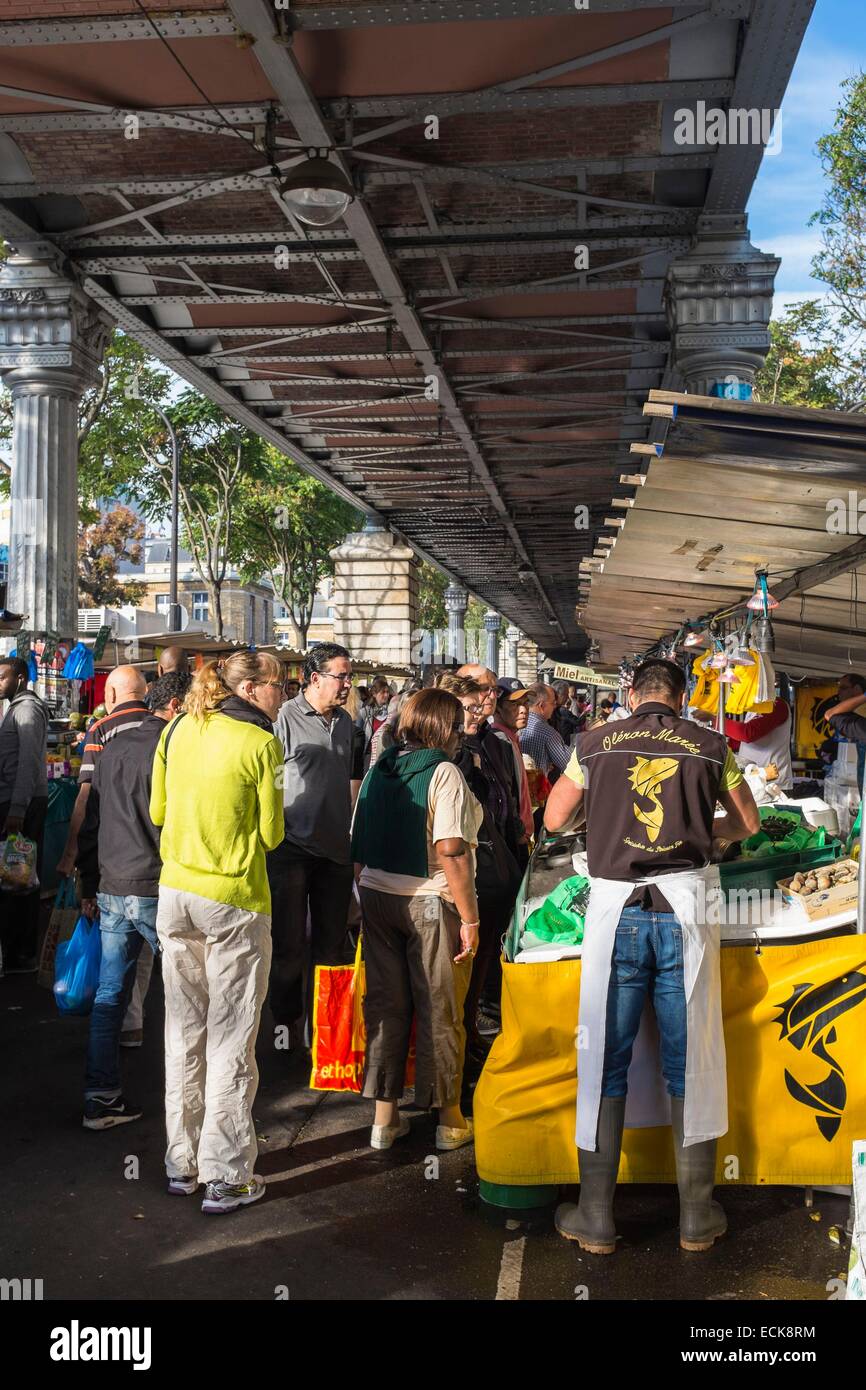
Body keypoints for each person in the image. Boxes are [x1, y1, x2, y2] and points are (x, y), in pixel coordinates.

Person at [544, 659, 760, 1256]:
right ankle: (696, 1218)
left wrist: (601, 819)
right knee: (691, 1058)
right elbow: (749, 821)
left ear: (632, 695)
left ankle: (596, 1216)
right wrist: (701, 826)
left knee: (605, 1061)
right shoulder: (712, 745)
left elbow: (554, 817)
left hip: (617, 915)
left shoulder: (592, 743)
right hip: (685, 913)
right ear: (683, 695)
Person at [150, 652, 285, 1215]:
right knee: (232, 1035)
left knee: (184, 1032)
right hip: (233, 900)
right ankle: (227, 1174)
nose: (284, 694)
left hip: (175, 891)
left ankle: (182, 1164)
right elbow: (273, 834)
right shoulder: (261, 744)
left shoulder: (179, 727)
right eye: (280, 685)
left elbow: (158, 810)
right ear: (253, 689)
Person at [352, 688, 481, 1151]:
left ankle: (383, 1121)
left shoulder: (378, 770)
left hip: (376, 896)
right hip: (429, 900)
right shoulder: (443, 771)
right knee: (440, 1009)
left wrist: (361, 897)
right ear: (445, 728)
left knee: (386, 1008)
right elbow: (451, 850)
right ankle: (449, 1118)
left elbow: (358, 840)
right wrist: (470, 918)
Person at [76, 672, 190, 1130]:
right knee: (186, 995)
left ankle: (101, 1097)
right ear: (171, 706)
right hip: (154, 883)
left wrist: (88, 883)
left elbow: (90, 819)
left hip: (113, 884)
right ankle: (186, 1110)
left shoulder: (108, 745)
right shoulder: (170, 747)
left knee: (109, 996)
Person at [267, 643, 355, 1045]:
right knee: (287, 951)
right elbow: (271, 782)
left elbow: (351, 780)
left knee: (331, 949)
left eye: (349, 676)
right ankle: (284, 1032)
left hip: (336, 852)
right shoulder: (283, 719)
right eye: (341, 676)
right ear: (315, 678)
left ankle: (325, 1038)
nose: (348, 684)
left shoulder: (347, 723)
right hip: (291, 851)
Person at [438, 675, 522, 1068]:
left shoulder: (493, 745)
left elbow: (503, 804)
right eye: (467, 708)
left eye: (478, 706)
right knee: (459, 965)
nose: (475, 714)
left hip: (494, 864)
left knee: (484, 955)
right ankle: (457, 1046)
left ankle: (469, 1033)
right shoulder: (446, 756)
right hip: (460, 873)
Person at [56, 666, 150, 877]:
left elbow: (86, 794)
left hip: (111, 848)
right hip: (152, 850)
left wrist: (70, 854)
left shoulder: (102, 729)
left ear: (112, 693)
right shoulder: (160, 725)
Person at [0, 657, 49, 973]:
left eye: (2, 676)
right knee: (14, 880)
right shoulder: (15, 708)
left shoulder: (27, 710)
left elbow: (29, 764)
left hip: (22, 807)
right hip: (18, 804)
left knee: (18, 882)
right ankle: (17, 951)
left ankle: (22, 953)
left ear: (20, 678)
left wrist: (17, 810)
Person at [491, 678, 533, 865]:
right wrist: (518, 833)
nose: (523, 710)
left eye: (525, 703)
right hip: (513, 840)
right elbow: (505, 793)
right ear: (497, 708)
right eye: (515, 704)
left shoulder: (511, 738)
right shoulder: (500, 741)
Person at [722, 696, 793, 791]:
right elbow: (746, 741)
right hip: (755, 780)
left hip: (773, 785)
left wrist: (715, 719)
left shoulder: (775, 704)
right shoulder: (755, 707)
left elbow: (748, 734)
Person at [519, 682, 571, 784]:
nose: (555, 706)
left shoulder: (513, 727)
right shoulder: (548, 733)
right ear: (542, 706)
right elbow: (570, 765)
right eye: (553, 703)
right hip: (536, 791)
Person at [356, 676, 391, 770]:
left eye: (387, 692)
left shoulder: (391, 712)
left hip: (386, 755)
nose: (386, 695)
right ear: (374, 694)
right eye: (383, 692)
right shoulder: (364, 713)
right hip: (368, 756)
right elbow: (358, 738)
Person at [551, 680, 583, 747]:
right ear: (559, 695)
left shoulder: (558, 709)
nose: (567, 698)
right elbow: (577, 722)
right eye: (566, 694)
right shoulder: (558, 710)